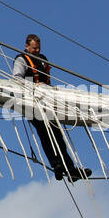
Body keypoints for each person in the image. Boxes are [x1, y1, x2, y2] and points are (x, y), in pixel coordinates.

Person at [11, 35, 91, 182]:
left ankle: (70, 169)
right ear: (27, 46)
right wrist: (35, 86)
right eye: (34, 48)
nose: (37, 50)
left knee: (57, 135)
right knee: (44, 132)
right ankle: (57, 165)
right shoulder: (21, 60)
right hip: (31, 103)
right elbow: (16, 79)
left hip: (46, 102)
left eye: (38, 48)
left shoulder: (42, 59)